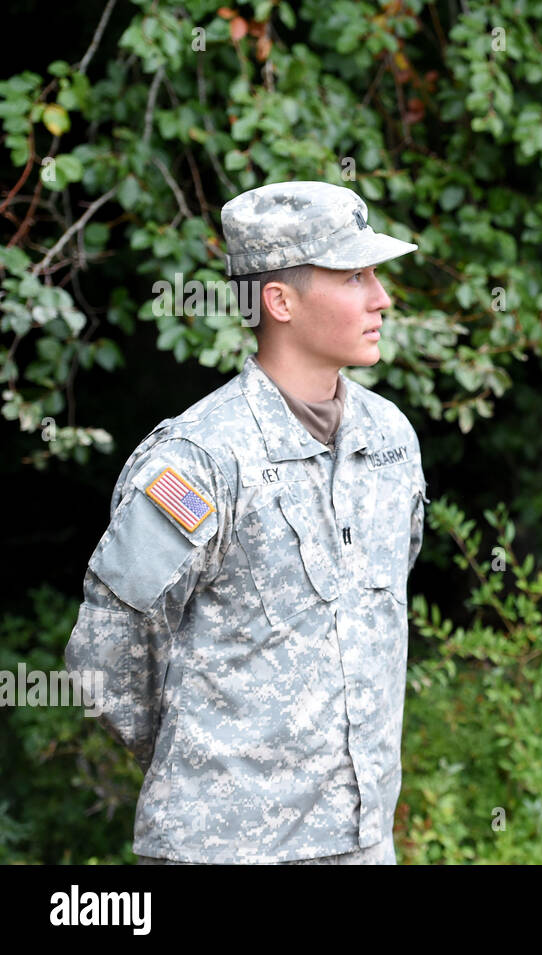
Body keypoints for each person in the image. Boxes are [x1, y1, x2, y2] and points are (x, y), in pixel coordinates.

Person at [65, 180, 426, 864]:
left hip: (360, 845)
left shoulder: (389, 440)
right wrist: (198, 761)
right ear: (280, 300)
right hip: (222, 849)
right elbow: (105, 657)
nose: (381, 297)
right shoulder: (199, 459)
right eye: (353, 276)